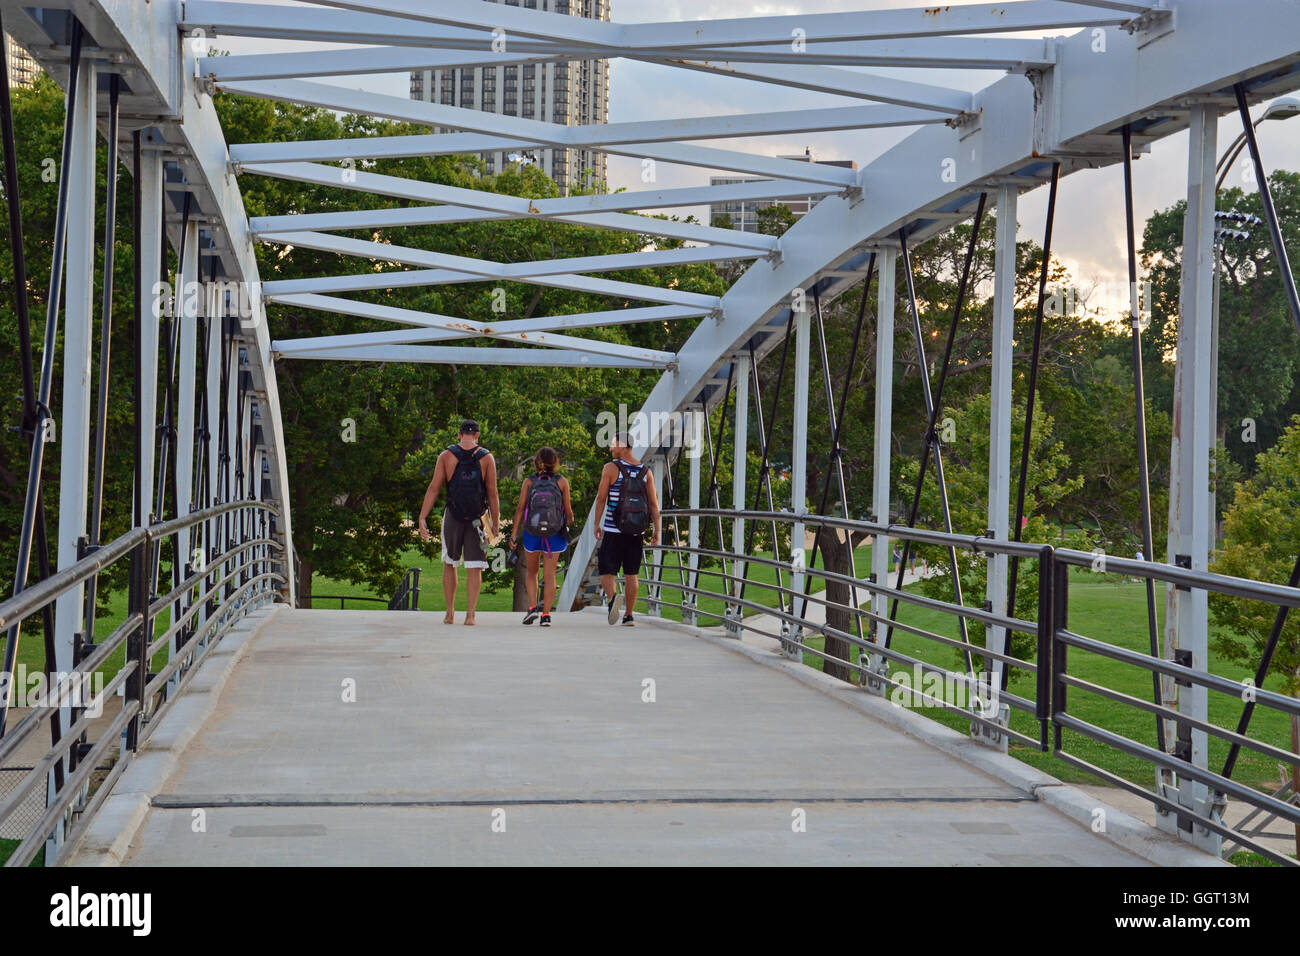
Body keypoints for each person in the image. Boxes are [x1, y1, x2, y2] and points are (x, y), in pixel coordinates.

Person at [417, 420, 500, 626]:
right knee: (475, 567)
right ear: (478, 435)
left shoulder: (446, 456)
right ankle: (470, 614)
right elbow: (492, 493)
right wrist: (495, 523)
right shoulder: (487, 458)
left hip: (452, 515)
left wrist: (422, 517)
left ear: (458, 434)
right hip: (480, 518)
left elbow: (434, 488)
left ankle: (449, 612)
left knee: (450, 563)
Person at [592, 434, 660, 626]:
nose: (611, 449)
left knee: (606, 570)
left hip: (614, 531)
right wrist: (657, 529)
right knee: (632, 573)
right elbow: (654, 505)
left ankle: (613, 598)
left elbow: (601, 498)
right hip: (636, 532)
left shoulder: (611, 468)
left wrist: (597, 524)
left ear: (622, 446)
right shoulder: (646, 472)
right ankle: (629, 615)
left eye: (613, 446)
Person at [510, 447, 575, 627]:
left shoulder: (529, 481)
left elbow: (520, 509)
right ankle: (546, 615)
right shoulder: (562, 482)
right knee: (550, 575)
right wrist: (569, 521)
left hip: (532, 531)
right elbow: (568, 510)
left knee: (532, 572)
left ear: (537, 461)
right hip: (554, 533)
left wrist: (514, 533)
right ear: (555, 462)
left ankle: (532, 608)